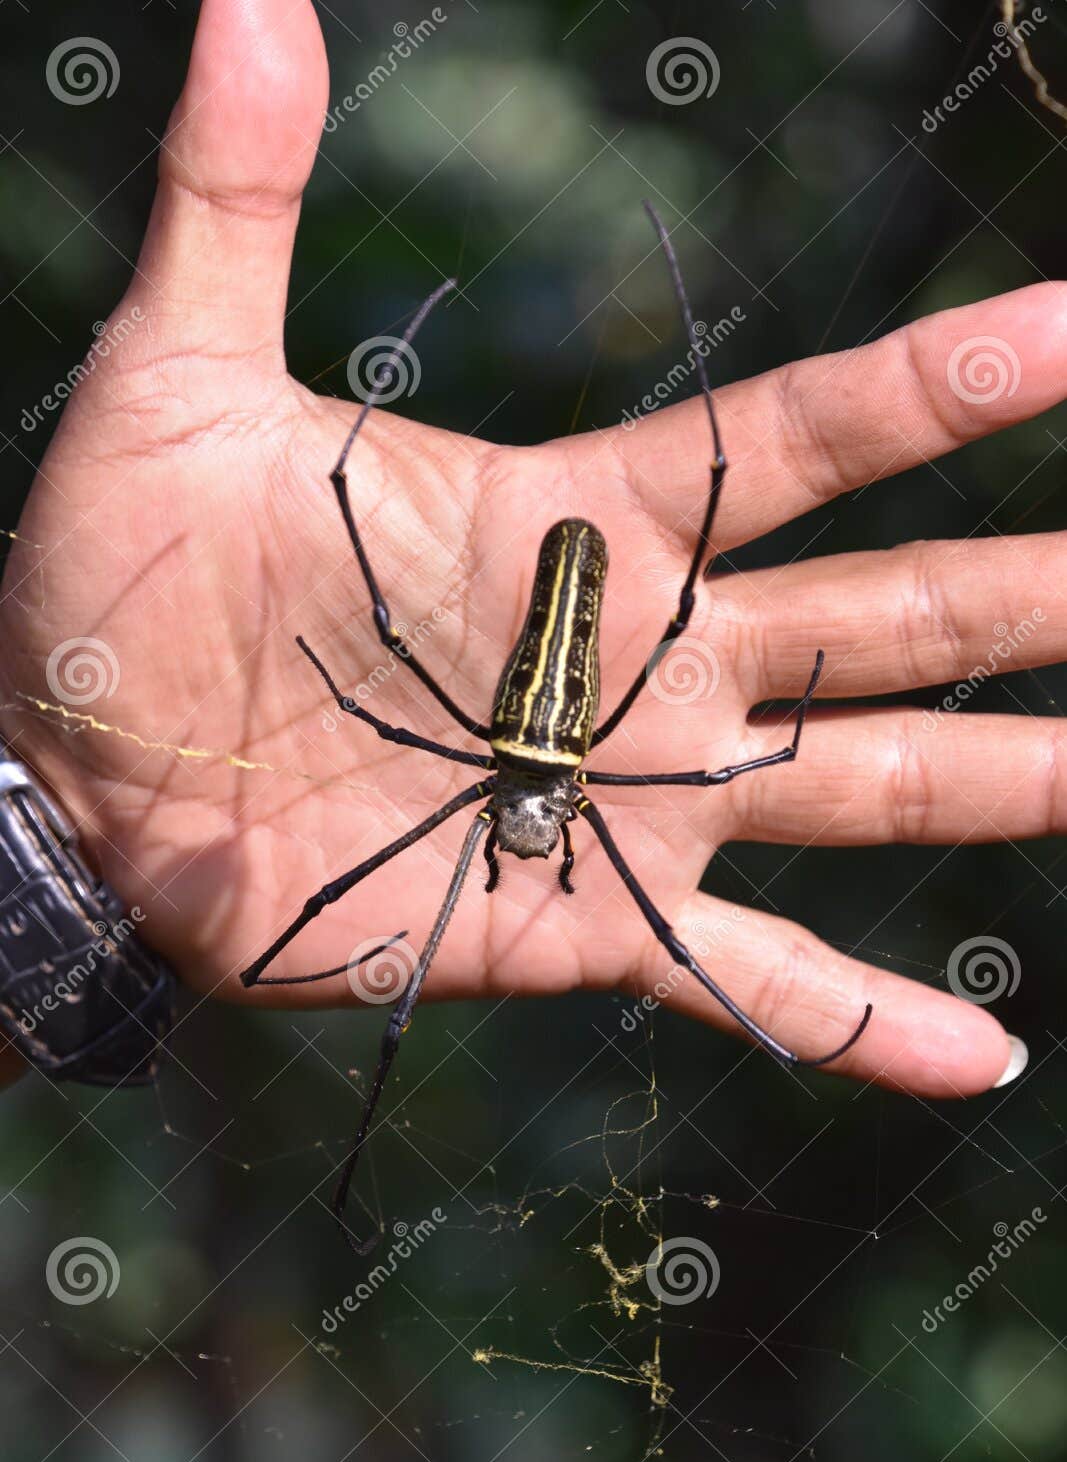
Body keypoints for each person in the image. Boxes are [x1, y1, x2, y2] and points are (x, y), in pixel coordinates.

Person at [3, 0, 1054, 1100]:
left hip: (537, 720)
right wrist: (80, 812)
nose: (523, 841)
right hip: (537, 727)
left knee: (489, 719)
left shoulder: (499, 787)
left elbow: (412, 699)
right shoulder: (539, 788)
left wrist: (74, 830)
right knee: (597, 760)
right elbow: (712, 762)